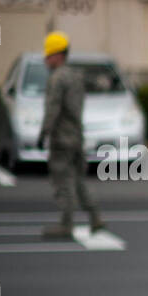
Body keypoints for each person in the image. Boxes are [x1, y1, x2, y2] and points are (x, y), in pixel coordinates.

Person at [38, 31, 104, 239]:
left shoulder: (57, 79)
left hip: (61, 138)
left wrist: (44, 133)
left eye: (48, 55)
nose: (46, 59)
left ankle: (66, 224)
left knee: (62, 181)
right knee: (79, 180)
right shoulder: (76, 76)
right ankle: (95, 217)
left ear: (58, 55)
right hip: (77, 136)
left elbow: (53, 109)